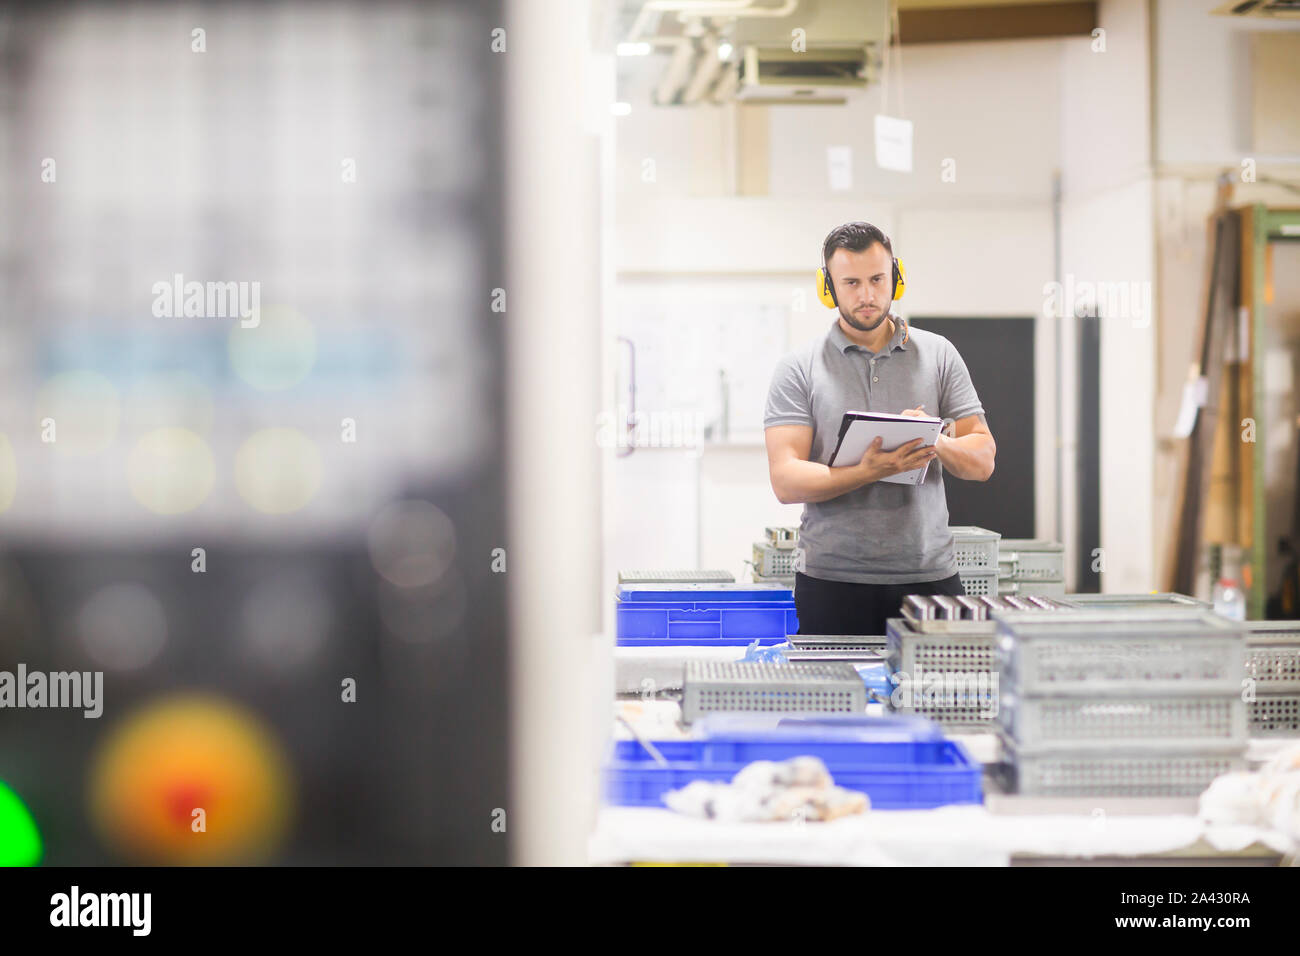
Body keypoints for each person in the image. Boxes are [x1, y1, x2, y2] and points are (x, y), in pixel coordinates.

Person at [763, 221, 996, 635]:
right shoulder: (798, 368)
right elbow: (786, 479)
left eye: (877, 279)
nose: (867, 295)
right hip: (831, 581)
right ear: (828, 288)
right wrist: (869, 471)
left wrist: (935, 439)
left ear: (896, 278)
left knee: (935, 698)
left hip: (930, 580)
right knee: (838, 700)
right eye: (851, 282)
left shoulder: (940, 355)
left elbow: (982, 462)